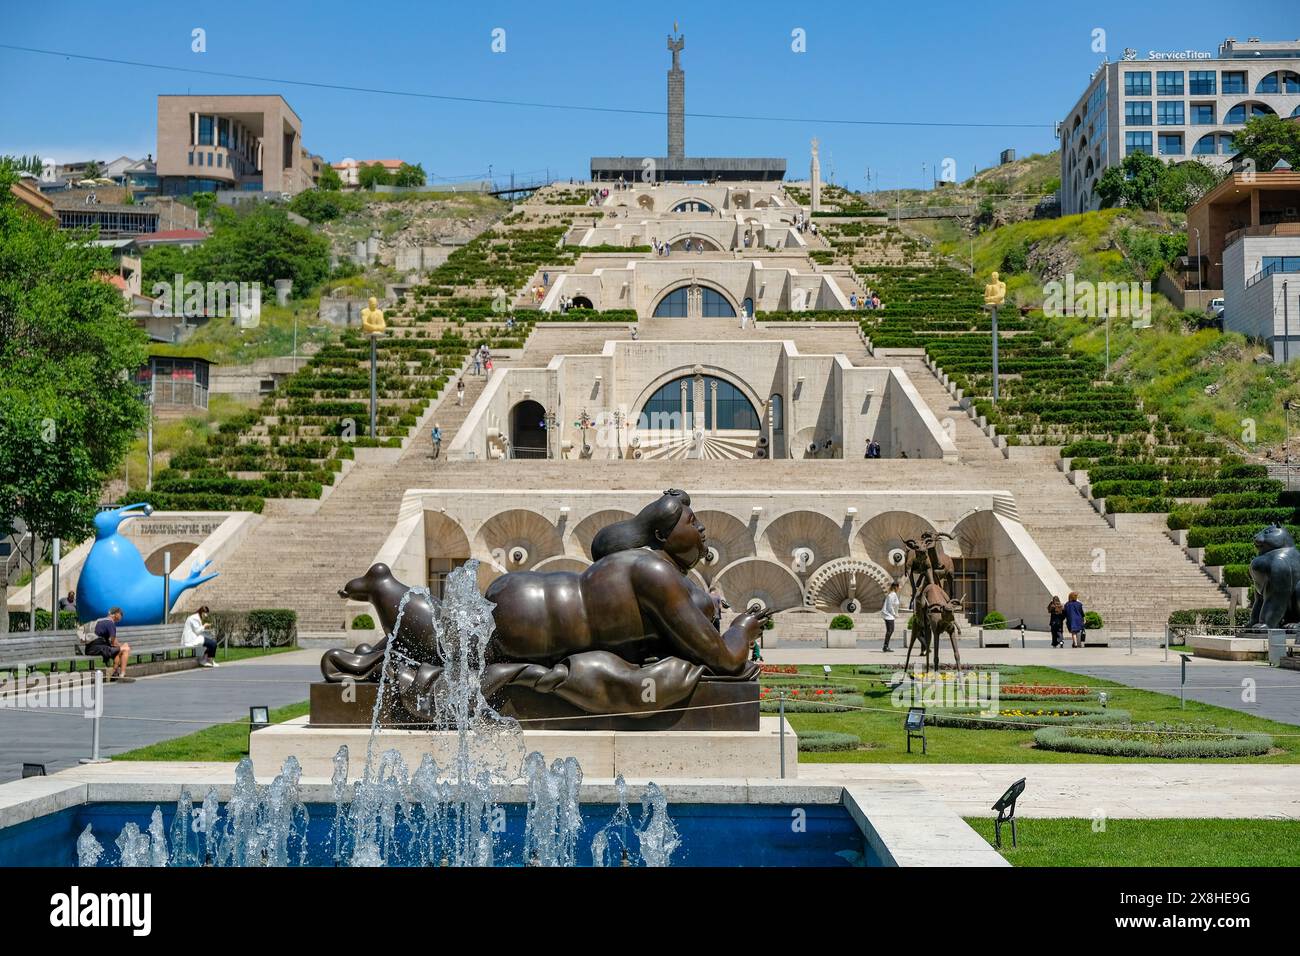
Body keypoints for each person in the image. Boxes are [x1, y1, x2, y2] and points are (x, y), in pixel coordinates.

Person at [86, 607, 132, 682]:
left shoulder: (100, 620)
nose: (121, 616)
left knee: (119, 650)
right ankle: (122, 674)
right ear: (116, 614)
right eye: (121, 614)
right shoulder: (110, 623)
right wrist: (123, 646)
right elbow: (113, 643)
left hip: (91, 648)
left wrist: (120, 646)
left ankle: (114, 673)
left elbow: (113, 643)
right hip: (98, 648)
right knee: (126, 649)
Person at [881, 581, 901, 652]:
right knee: (890, 631)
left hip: (890, 615)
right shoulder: (892, 595)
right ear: (896, 587)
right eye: (898, 586)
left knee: (890, 631)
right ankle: (885, 646)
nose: (899, 588)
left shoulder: (893, 594)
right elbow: (890, 606)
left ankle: (885, 646)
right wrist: (894, 614)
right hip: (888, 615)